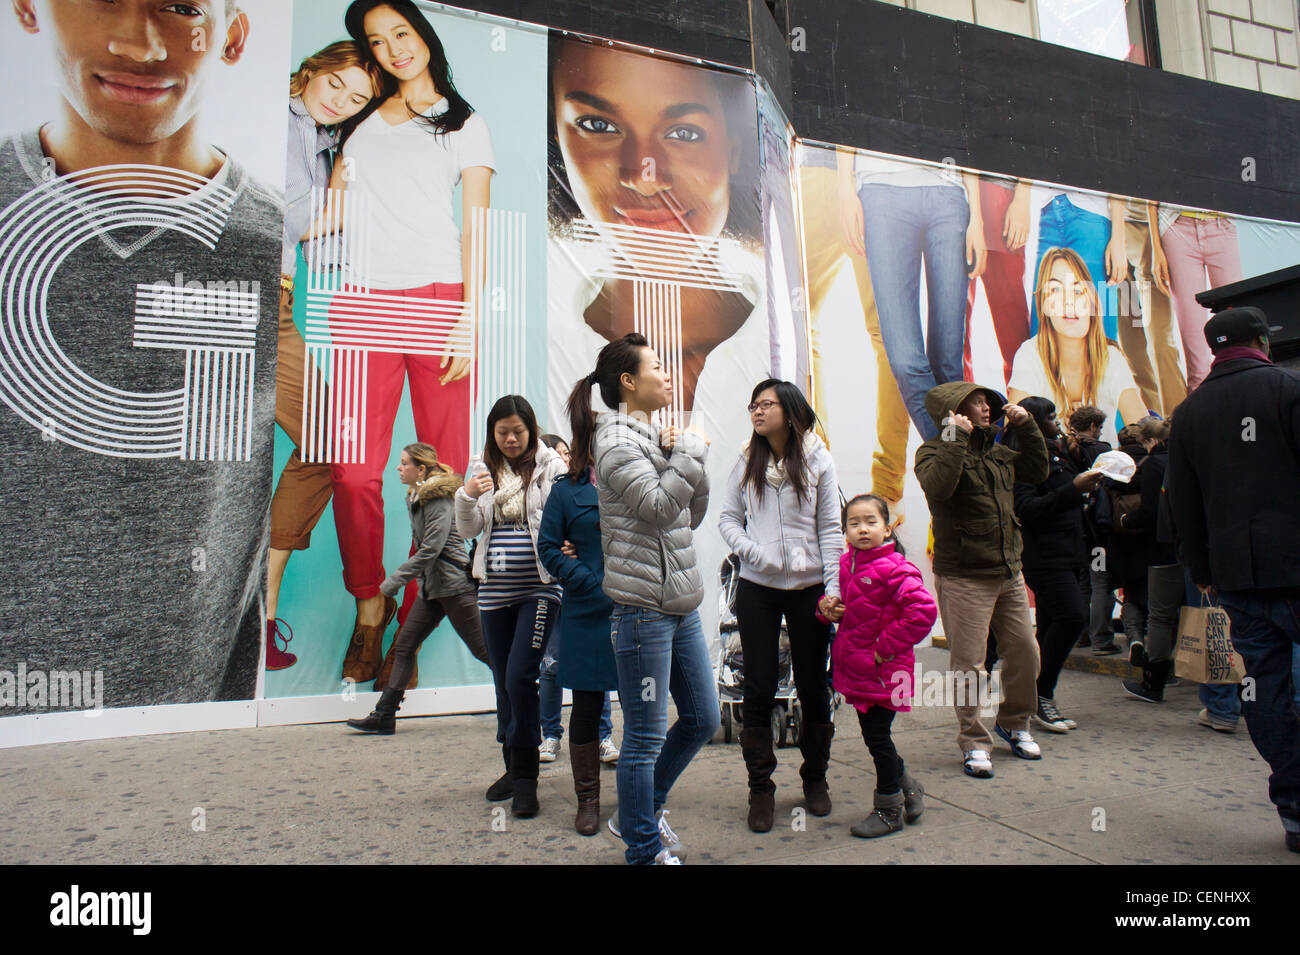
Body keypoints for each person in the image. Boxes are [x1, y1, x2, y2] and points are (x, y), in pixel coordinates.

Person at [1, 0, 282, 711]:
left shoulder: (275, 247)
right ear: (28, 9)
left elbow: (334, 446)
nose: (138, 41)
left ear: (233, 34)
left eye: (179, 6)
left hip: (183, 736)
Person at [326, 0, 495, 683]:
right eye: (377, 40)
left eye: (402, 32)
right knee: (354, 472)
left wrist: (469, 316)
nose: (394, 48)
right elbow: (332, 205)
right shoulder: (361, 121)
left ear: (423, 36)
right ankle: (371, 602)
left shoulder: (463, 123)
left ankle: (411, 625)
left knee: (444, 480)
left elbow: (476, 227)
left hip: (438, 300)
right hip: (362, 301)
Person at [570, 332, 718, 865]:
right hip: (642, 613)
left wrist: (683, 455)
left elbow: (688, 514)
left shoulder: (651, 439)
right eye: (657, 366)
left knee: (703, 718)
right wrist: (691, 452)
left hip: (679, 604)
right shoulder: (613, 444)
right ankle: (642, 848)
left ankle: (639, 812)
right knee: (645, 738)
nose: (667, 374)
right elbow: (658, 507)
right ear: (628, 381)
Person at [1166, 306, 1300, 855]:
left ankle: (1294, 809)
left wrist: (1205, 573)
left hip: (1236, 579)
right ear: (1263, 341)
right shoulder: (1286, 391)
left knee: (1263, 689)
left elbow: (1185, 505)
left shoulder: (1190, 412)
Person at [268, 42, 381, 671]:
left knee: (326, 442)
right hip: (235, 290)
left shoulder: (324, 147)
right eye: (336, 84)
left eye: (357, 99)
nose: (340, 101)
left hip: (279, 302)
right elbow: (289, 215)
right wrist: (345, 196)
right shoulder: (274, 120)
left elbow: (331, 249)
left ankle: (260, 606)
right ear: (311, 71)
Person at [718, 379, 843, 832]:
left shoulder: (817, 459)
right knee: (759, 685)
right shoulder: (745, 459)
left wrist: (833, 588)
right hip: (759, 586)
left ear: (789, 412)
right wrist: (753, 552)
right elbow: (728, 519)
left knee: (812, 686)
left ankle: (815, 778)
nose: (756, 411)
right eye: (753, 404)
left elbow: (831, 528)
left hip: (810, 587)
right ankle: (761, 789)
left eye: (766, 404)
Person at [914, 382, 1049, 778]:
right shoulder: (933, 451)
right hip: (964, 575)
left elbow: (1037, 471)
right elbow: (940, 488)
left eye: (987, 401)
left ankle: (1015, 722)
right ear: (954, 410)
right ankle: (973, 739)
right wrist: (955, 436)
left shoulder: (998, 452)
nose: (986, 407)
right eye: (975, 402)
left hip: (1008, 570)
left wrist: (1027, 429)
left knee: (1025, 651)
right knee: (970, 664)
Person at [455, 396, 566, 818]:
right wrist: (467, 495)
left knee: (521, 676)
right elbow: (469, 529)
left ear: (531, 429)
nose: (511, 439)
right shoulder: (481, 467)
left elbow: (565, 515)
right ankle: (513, 766)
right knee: (503, 682)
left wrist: (569, 544)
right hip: (494, 592)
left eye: (518, 431)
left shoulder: (550, 465)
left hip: (539, 588)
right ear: (492, 433)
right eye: (502, 432)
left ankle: (526, 782)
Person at [838, 149, 987, 441]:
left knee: (948, 359)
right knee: (905, 359)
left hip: (948, 192)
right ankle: (955, 464)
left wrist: (977, 217)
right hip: (881, 188)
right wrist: (845, 188)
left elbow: (965, 127)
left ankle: (951, 469)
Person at [344, 442, 488, 731]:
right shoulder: (417, 496)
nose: (399, 468)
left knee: (484, 650)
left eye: (404, 463)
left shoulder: (438, 499)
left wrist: (394, 581)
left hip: (455, 587)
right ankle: (384, 715)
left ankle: (527, 697)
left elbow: (430, 549)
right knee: (405, 646)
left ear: (420, 468)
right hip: (432, 589)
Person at [823, 495, 936, 837]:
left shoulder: (895, 568)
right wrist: (827, 607)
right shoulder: (848, 565)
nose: (863, 529)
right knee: (876, 738)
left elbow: (923, 612)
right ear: (845, 531)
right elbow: (846, 610)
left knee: (878, 738)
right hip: (859, 672)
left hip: (885, 673)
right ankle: (909, 787)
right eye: (854, 523)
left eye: (871, 522)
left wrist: (880, 650)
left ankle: (889, 810)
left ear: (887, 528)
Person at [536, 422, 620, 835]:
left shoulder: (636, 482)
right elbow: (548, 547)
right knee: (587, 705)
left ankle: (644, 794)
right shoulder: (565, 490)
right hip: (588, 610)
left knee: (645, 707)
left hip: (637, 608)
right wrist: (585, 579)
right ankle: (587, 799)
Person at [1010, 397, 1103, 732]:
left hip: (1069, 551)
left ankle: (1032, 696)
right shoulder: (1026, 458)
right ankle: (1041, 693)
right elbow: (1026, 509)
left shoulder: (1061, 451)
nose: (1057, 421)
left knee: (1050, 625)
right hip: (1044, 555)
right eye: (1049, 416)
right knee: (1073, 617)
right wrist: (1073, 489)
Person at [1009, 248, 1147, 449]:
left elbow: (1143, 433)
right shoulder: (1030, 354)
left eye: (1078, 290)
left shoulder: (1111, 357)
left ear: (1092, 301)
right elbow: (1013, 437)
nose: (1068, 301)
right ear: (1044, 305)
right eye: (1055, 289)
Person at [1148, 201, 1243, 392]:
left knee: (1237, 330)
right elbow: (1153, 194)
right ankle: (1202, 415)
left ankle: (1240, 401)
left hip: (1223, 224)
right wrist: (1156, 250)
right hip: (1177, 228)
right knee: (1195, 347)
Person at [1065, 406, 1117, 652]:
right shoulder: (1102, 451)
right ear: (1094, 426)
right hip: (1098, 529)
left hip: (1076, 527)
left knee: (1083, 583)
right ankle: (1101, 639)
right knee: (1101, 583)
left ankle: (1081, 635)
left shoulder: (1067, 450)